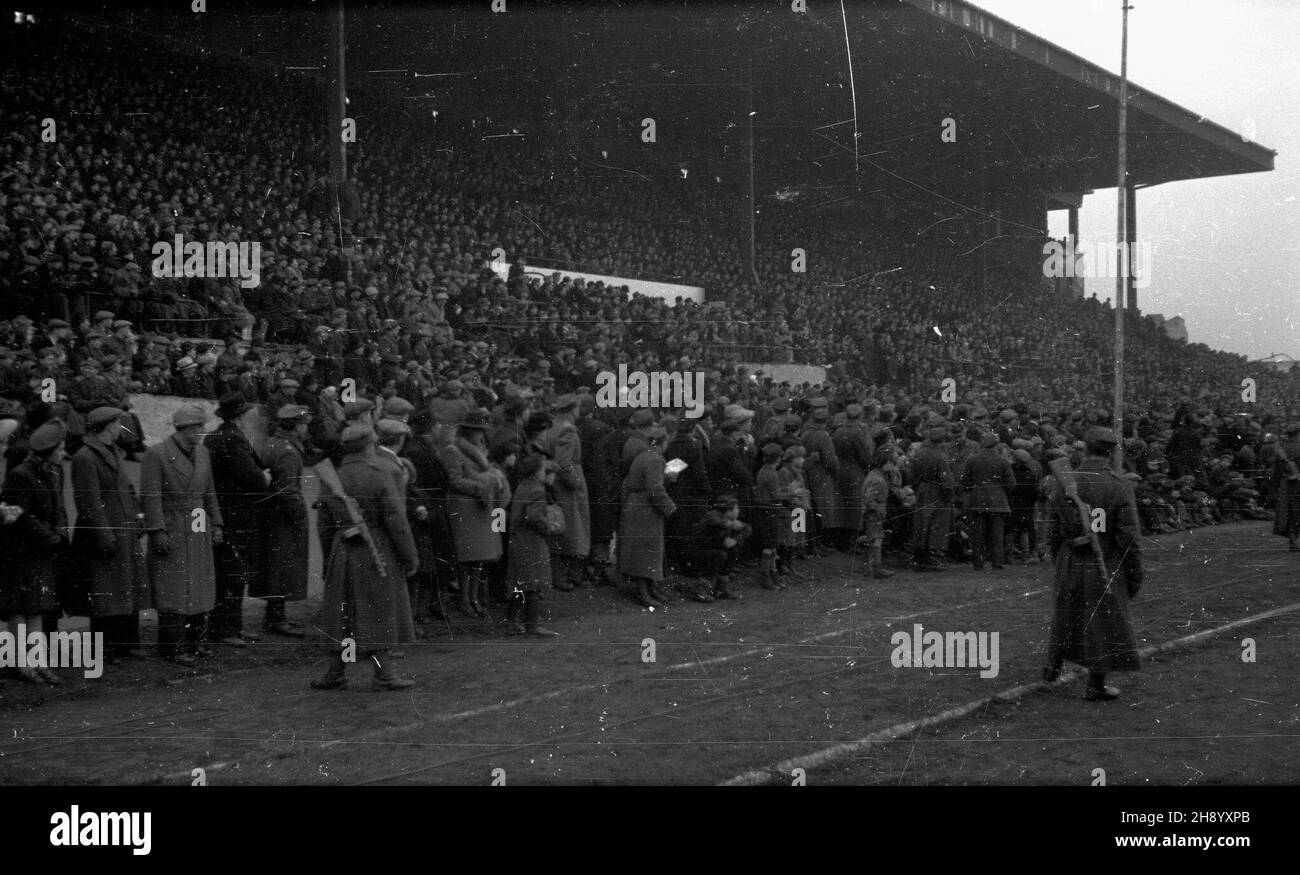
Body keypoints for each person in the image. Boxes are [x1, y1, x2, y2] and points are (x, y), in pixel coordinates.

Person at [311, 425, 418, 691]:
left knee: (341, 614)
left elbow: (324, 523)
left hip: (341, 549)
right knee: (377, 612)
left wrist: (329, 558)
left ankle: (335, 673)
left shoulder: (332, 476)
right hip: (376, 550)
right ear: (369, 446)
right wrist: (410, 557)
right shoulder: (378, 473)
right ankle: (384, 675)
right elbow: (396, 522)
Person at [1042, 427, 1144, 701]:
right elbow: (1128, 537)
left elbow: (1052, 529)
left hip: (1070, 557)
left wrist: (1059, 557)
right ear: (1110, 453)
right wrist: (1134, 574)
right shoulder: (1116, 485)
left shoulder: (1063, 480)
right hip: (1105, 560)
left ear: (1085, 449)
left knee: (1066, 612)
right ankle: (1096, 684)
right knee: (1103, 621)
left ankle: (1054, 662)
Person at [141, 405, 224, 667]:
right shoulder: (157, 454)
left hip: (199, 523)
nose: (201, 431)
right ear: (184, 428)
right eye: (197, 427)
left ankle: (196, 641)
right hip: (172, 524)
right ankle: (172, 647)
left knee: (200, 584)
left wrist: (217, 524)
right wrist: (157, 531)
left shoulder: (202, 452)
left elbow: (209, 492)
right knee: (173, 588)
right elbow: (151, 497)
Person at [68, 407, 150, 664]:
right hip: (104, 535)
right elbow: (89, 503)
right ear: (107, 426)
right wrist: (104, 537)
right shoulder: (85, 457)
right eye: (117, 424)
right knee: (105, 593)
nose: (120, 428)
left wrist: (138, 519)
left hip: (125, 530)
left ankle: (127, 643)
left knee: (127, 589)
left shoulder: (115, 451)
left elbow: (128, 489)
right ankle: (105, 648)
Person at [0, 421, 69, 684]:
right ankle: (21, 663)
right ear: (48, 450)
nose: (63, 454)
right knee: (19, 608)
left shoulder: (55, 471)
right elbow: (17, 514)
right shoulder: (20, 475)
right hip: (20, 552)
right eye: (60, 449)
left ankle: (38, 661)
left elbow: (60, 507)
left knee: (37, 608)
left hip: (42, 550)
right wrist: (48, 536)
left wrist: (60, 533)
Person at [205, 392, 269, 647]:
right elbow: (252, 478)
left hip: (223, 511)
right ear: (241, 416)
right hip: (237, 514)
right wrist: (264, 477)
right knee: (234, 572)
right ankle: (227, 628)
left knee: (227, 572)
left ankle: (229, 626)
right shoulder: (234, 439)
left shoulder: (214, 437)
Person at [442, 409, 511, 617]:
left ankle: (475, 596)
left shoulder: (479, 448)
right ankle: (465, 599)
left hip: (482, 505)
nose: (482, 434)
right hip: (464, 505)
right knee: (467, 557)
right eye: (477, 430)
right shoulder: (452, 450)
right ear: (468, 431)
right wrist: (481, 486)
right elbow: (454, 480)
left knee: (481, 556)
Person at [258, 404, 312, 637]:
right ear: (297, 426)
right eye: (304, 425)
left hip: (269, 515)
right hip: (282, 518)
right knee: (282, 567)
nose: (306, 429)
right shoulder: (288, 451)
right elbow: (287, 491)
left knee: (274, 566)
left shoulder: (272, 444)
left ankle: (274, 616)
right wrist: (300, 515)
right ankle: (276, 618)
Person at [618, 424, 677, 607]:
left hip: (638, 505)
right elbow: (654, 490)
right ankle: (644, 591)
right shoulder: (654, 459)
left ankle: (649, 588)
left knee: (643, 550)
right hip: (646, 509)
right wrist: (670, 507)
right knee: (646, 551)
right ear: (662, 442)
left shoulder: (645, 456)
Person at [505, 454, 561, 637]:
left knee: (520, 583)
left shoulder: (522, 486)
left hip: (518, 539)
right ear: (536, 472)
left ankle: (513, 622)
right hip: (531, 541)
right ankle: (532, 626)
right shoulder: (537, 490)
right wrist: (549, 526)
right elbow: (534, 517)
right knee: (534, 585)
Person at [543, 394, 591, 591]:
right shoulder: (568, 430)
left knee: (567, 529)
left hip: (558, 482)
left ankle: (565, 574)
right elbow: (564, 463)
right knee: (572, 530)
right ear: (573, 409)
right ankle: (563, 576)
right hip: (568, 485)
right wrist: (576, 482)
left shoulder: (554, 426)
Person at [960, 433, 1015, 571]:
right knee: (997, 534)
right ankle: (997, 562)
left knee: (978, 534)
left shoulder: (972, 459)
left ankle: (978, 563)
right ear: (996, 445)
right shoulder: (1003, 461)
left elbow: (964, 481)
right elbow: (1011, 483)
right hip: (998, 500)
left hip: (977, 499)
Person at [862, 446, 895, 580]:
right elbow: (868, 499)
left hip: (870, 513)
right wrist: (878, 509)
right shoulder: (878, 480)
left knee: (874, 539)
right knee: (877, 539)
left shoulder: (873, 474)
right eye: (891, 463)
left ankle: (871, 568)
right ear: (885, 463)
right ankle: (877, 568)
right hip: (873, 514)